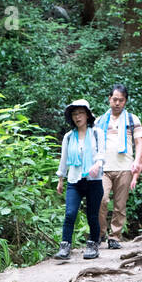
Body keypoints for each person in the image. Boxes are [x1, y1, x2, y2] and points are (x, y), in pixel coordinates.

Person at [54, 98, 105, 261]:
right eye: (74, 114)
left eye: (81, 113)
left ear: (88, 115)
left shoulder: (97, 133)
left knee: (92, 215)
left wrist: (97, 164)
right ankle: (65, 247)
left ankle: (93, 245)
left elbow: (102, 153)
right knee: (70, 213)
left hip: (94, 180)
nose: (78, 117)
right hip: (74, 180)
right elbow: (64, 159)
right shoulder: (68, 137)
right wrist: (60, 179)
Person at [97, 84, 142, 248]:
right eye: (114, 99)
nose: (117, 103)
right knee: (101, 200)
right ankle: (101, 232)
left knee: (120, 204)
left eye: (121, 100)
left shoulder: (133, 119)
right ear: (109, 99)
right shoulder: (99, 121)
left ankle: (115, 237)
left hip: (125, 166)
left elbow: (139, 142)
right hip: (103, 167)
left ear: (125, 101)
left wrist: (137, 161)